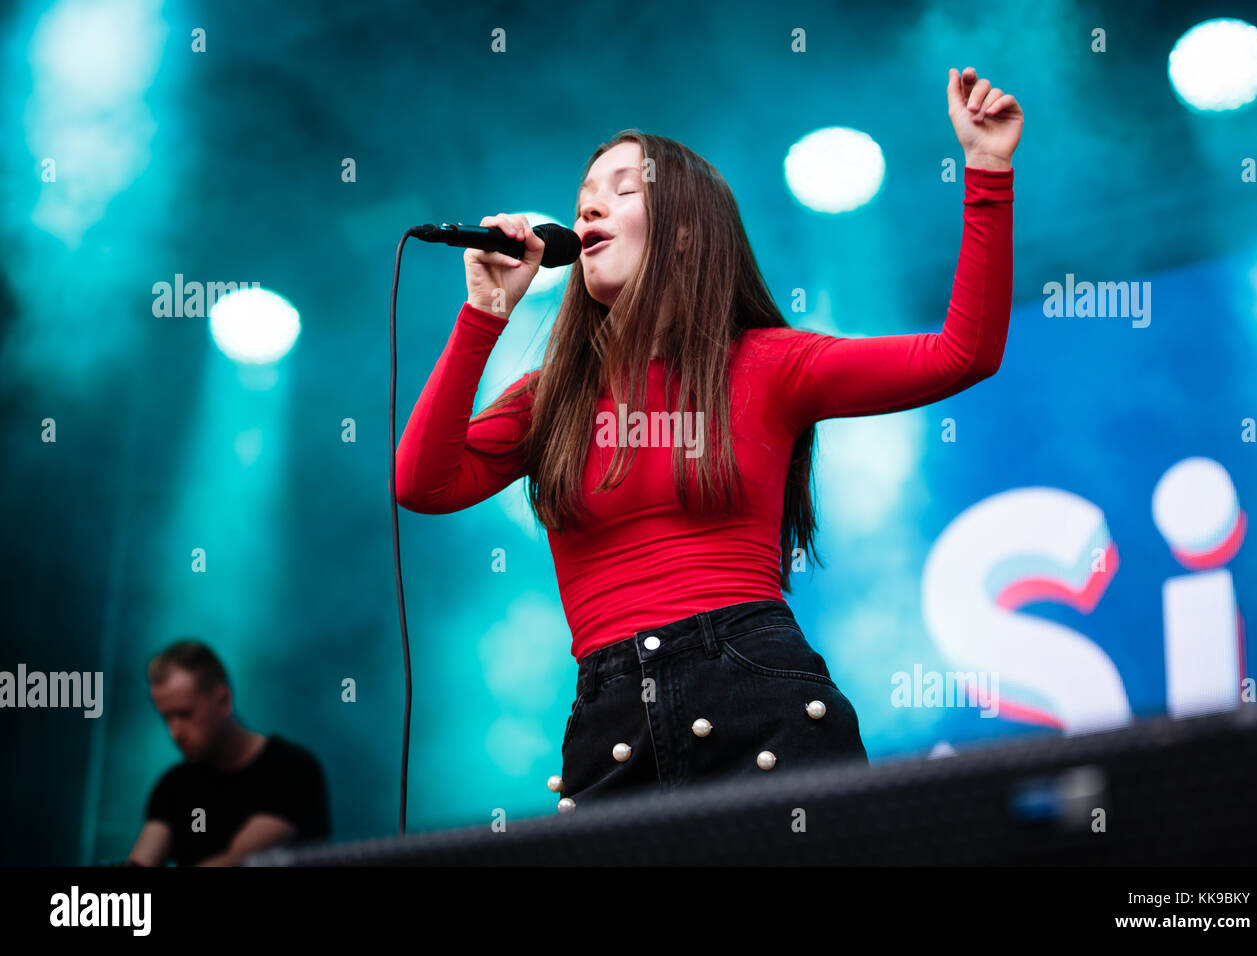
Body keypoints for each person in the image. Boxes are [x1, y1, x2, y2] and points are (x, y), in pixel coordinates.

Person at [394, 67, 1022, 807]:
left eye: (623, 189)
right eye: (584, 197)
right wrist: (485, 312)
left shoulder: (768, 364)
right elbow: (421, 485)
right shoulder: (550, 401)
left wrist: (986, 168)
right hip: (611, 719)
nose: (591, 204)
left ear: (687, 231)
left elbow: (963, 353)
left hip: (755, 692)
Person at [126, 640, 330, 865]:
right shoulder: (174, 785)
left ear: (223, 700)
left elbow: (236, 860)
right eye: (166, 718)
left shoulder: (291, 769)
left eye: (185, 714)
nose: (174, 732)